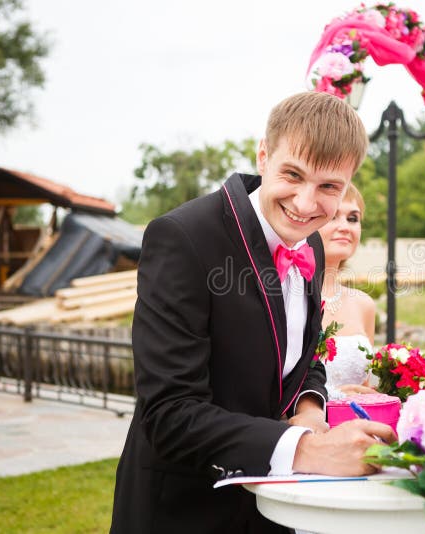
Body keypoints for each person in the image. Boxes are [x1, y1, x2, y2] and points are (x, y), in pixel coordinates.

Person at [110, 92, 396, 534]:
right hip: (184, 510)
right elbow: (169, 412)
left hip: (275, 509)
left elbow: (305, 357)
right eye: (292, 175)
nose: (305, 203)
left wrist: (309, 406)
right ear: (263, 155)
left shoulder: (314, 245)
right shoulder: (182, 237)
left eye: (328, 187)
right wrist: (308, 450)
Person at [318, 184, 377, 399]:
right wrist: (330, 396)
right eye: (333, 216)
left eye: (353, 218)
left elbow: (365, 388)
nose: (345, 227)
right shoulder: (285, 297)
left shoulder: (364, 305)